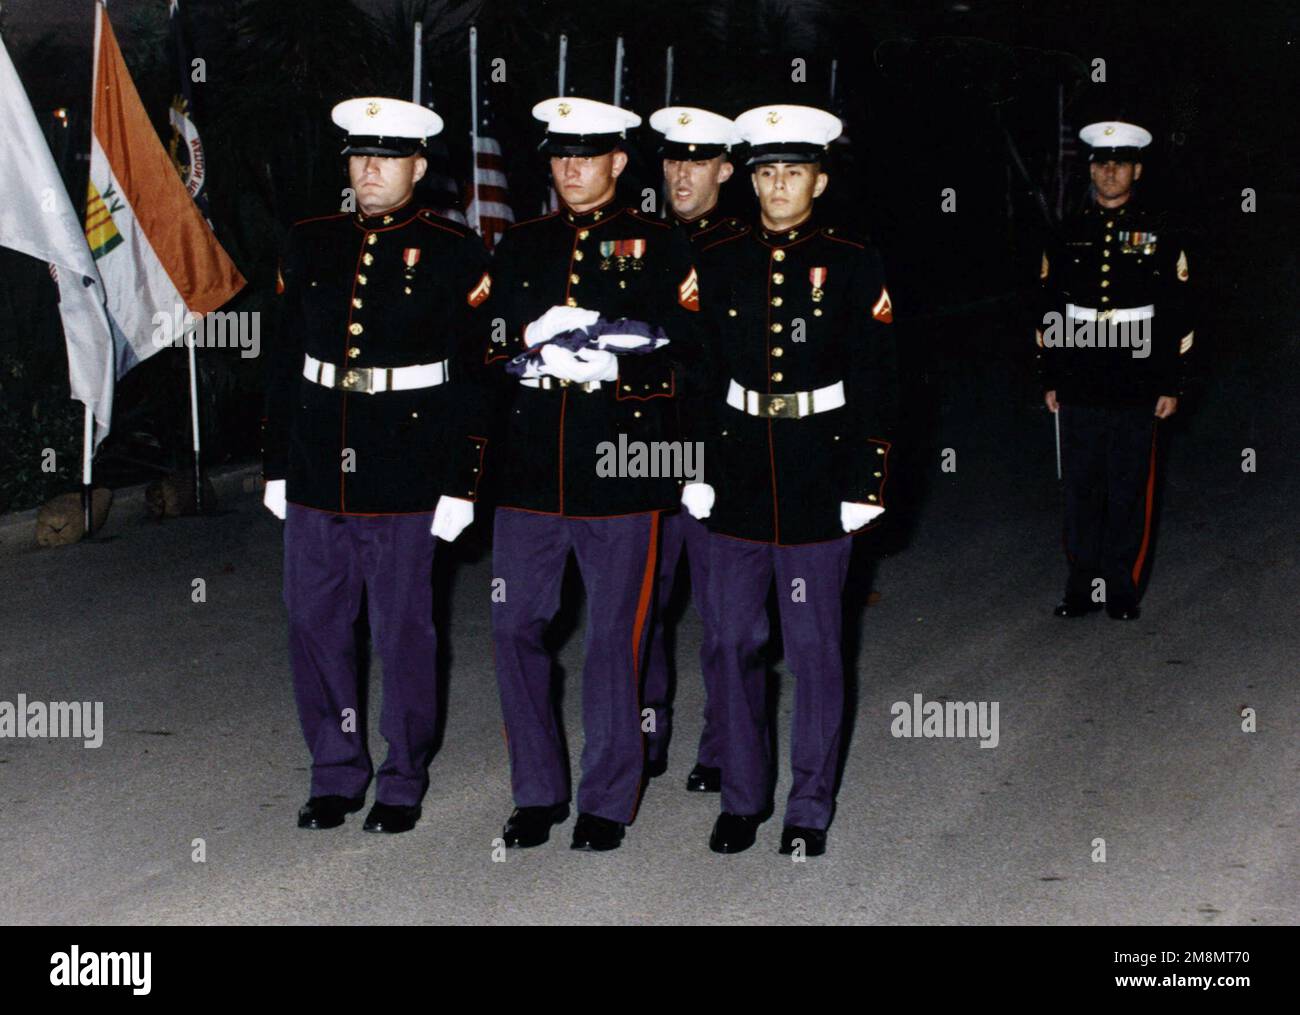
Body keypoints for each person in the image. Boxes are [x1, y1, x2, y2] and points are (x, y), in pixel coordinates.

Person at [262, 97, 492, 834]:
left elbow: (476, 379)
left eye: (386, 158)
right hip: (317, 461)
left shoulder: (456, 252)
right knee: (314, 618)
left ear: (418, 168)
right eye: (359, 157)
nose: (368, 170)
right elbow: (282, 359)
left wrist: (463, 479)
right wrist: (275, 464)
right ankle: (334, 769)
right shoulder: (309, 239)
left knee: (402, 628)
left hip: (407, 464)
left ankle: (403, 772)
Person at [481, 97, 702, 852]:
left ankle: (609, 796)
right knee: (515, 625)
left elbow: (696, 355)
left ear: (617, 162)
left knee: (616, 637)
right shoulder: (519, 244)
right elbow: (484, 344)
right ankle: (537, 790)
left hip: (623, 470)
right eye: (560, 155)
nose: (572, 168)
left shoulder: (662, 245)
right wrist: (523, 351)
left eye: (588, 154)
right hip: (531, 471)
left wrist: (619, 368)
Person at [685, 104, 897, 856]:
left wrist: (865, 480)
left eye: (793, 172)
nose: (778, 185)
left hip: (818, 470)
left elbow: (878, 376)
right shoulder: (718, 257)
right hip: (737, 473)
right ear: (751, 180)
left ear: (820, 179)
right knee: (730, 641)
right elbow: (699, 370)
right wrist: (696, 466)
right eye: (767, 172)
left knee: (814, 650)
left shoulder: (852, 259)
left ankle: (808, 806)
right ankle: (742, 798)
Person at [1037, 120, 1193, 621]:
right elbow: (1049, 307)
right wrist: (1050, 377)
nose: (1109, 172)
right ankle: (1081, 584)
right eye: (1101, 163)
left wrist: (1171, 382)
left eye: (1120, 163)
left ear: (1137, 170)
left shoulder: (1161, 231)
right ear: (1089, 169)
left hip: (1136, 371)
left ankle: (1121, 586)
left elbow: (1177, 310)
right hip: (1080, 369)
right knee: (1081, 483)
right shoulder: (1066, 231)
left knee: (1129, 483)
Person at [641, 105, 746, 793]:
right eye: (673, 159)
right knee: (641, 610)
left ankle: (722, 745)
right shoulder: (639, 244)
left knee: (724, 618)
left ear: (725, 170)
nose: (682, 172)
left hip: (723, 459)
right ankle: (645, 733)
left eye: (698, 160)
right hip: (643, 458)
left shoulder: (746, 248)